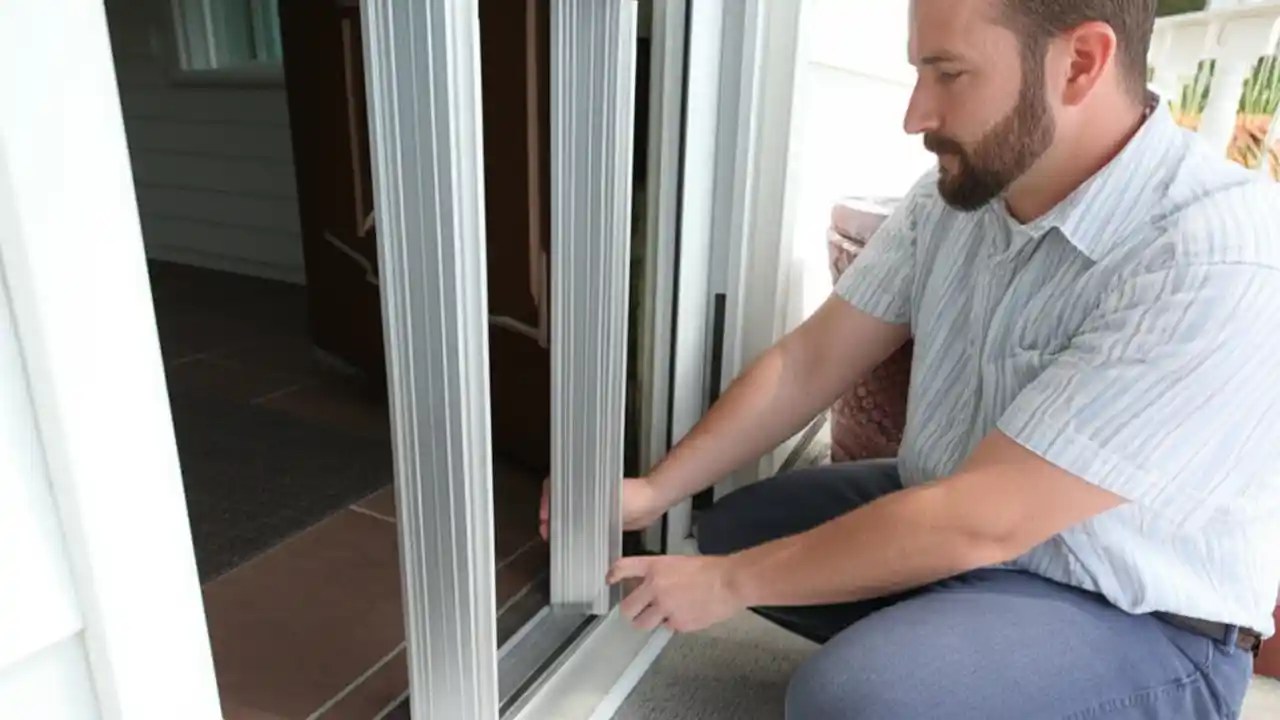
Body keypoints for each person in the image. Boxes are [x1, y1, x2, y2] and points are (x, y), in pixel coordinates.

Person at [539, 0, 1280, 717]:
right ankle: (956, 641)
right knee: (741, 526)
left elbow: (983, 518)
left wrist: (730, 586)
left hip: (1140, 616)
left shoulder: (1212, 256)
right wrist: (655, 490)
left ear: (1080, 64)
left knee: (853, 700)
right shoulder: (959, 198)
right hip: (984, 531)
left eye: (949, 74)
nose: (915, 115)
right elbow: (812, 359)